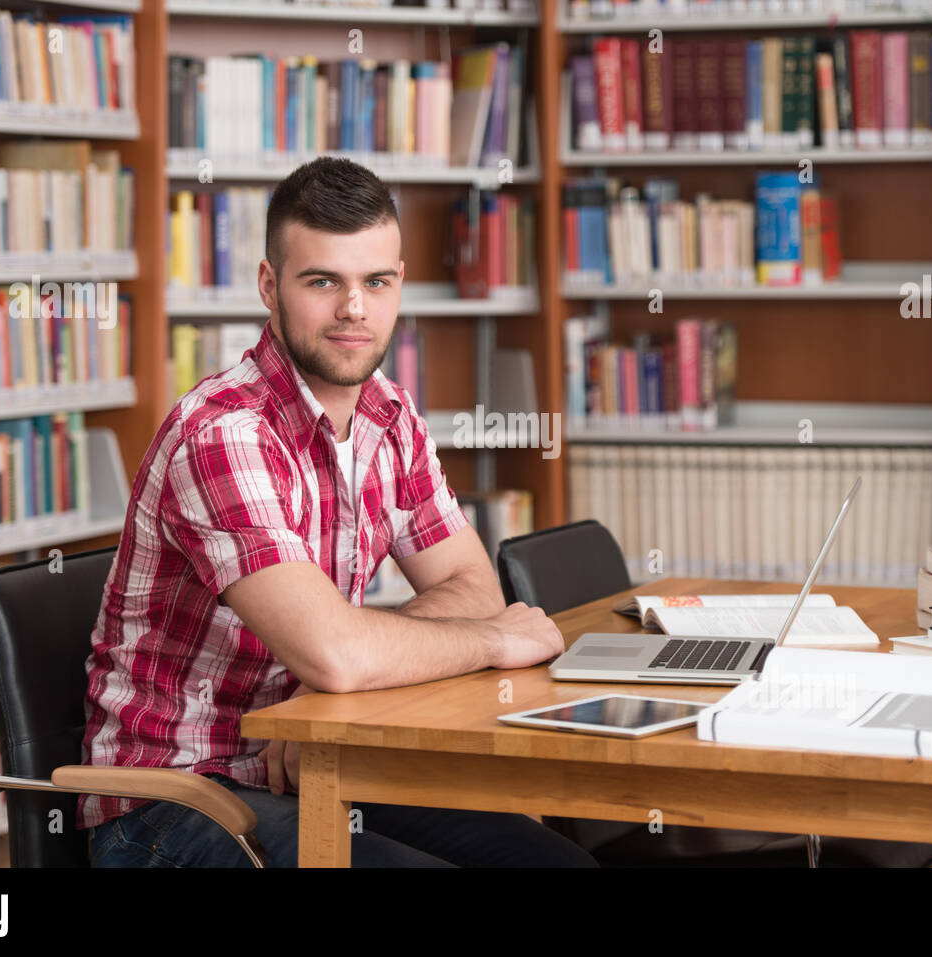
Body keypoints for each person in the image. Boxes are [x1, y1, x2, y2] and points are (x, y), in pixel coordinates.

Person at [78, 157, 596, 867]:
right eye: (323, 281)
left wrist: (322, 686)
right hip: (174, 798)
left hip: (319, 755)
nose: (354, 308)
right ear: (270, 285)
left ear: (398, 286)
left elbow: (472, 590)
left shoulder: (390, 413)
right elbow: (346, 653)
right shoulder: (224, 435)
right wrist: (489, 642)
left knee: (558, 865)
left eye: (375, 282)